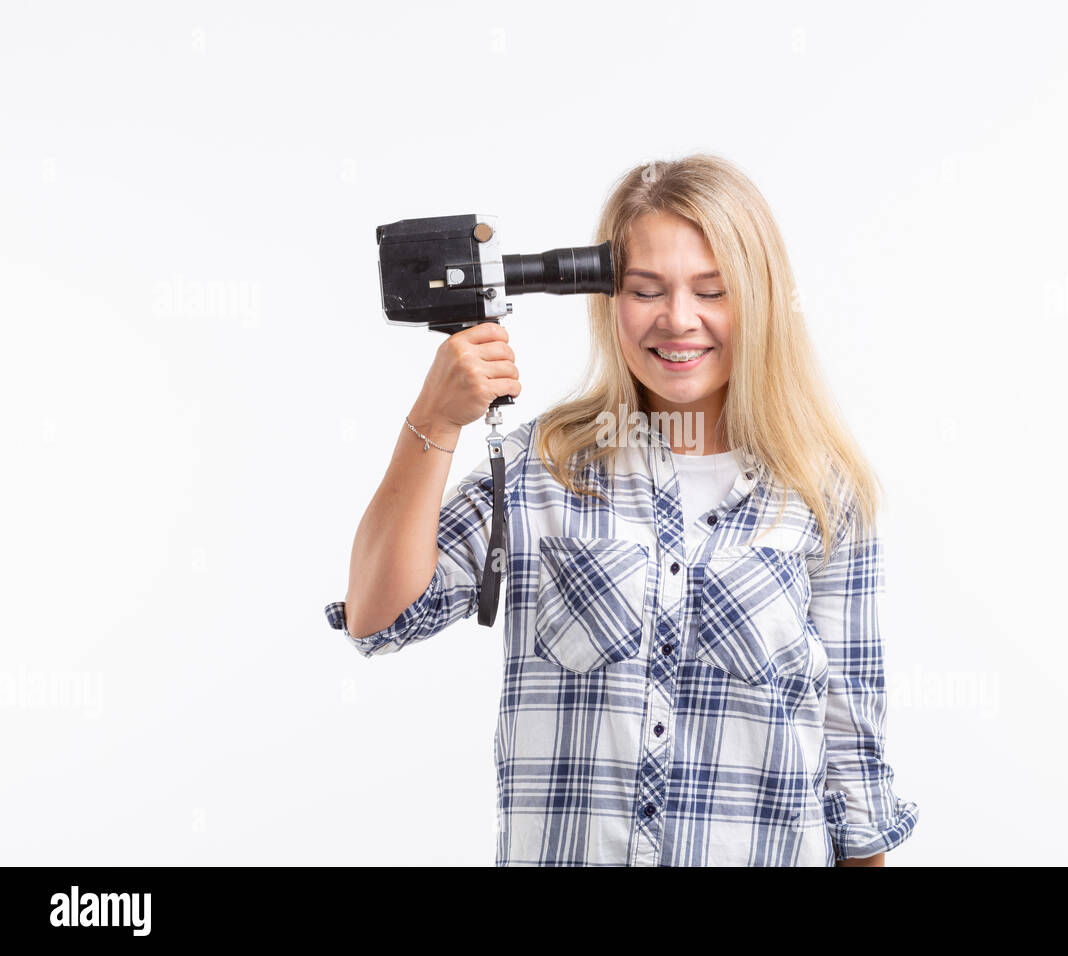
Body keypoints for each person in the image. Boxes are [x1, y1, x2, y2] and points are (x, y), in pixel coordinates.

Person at [325, 153, 919, 866]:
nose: (679, 320)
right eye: (645, 290)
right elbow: (379, 618)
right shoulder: (542, 468)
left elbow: (852, 765)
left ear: (761, 300)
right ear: (608, 298)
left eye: (712, 290)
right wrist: (435, 420)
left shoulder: (824, 496)